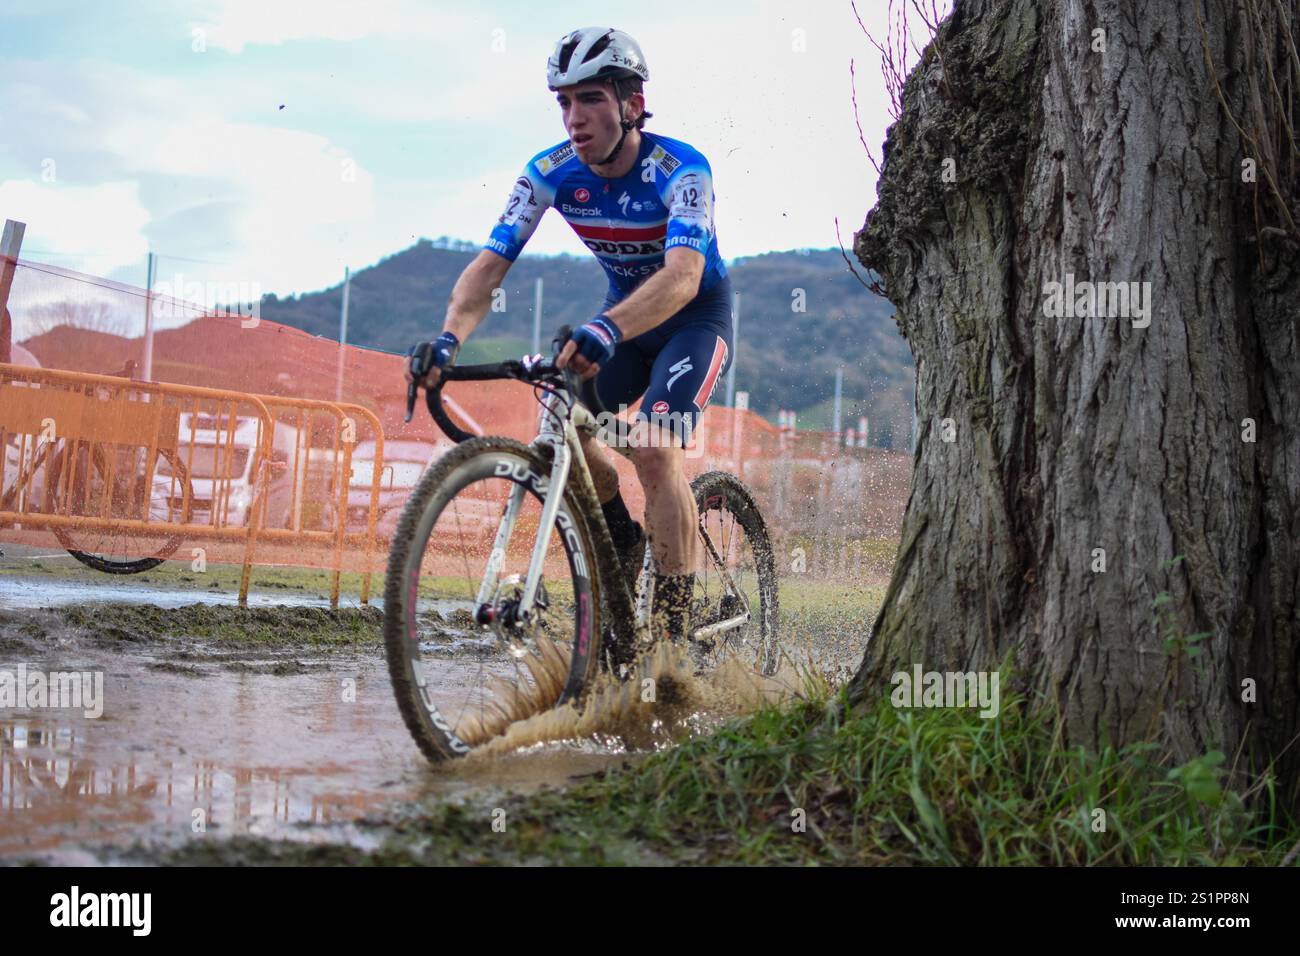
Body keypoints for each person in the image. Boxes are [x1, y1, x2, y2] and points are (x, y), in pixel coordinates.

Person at [406, 26, 733, 647]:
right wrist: (446, 339)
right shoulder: (547, 173)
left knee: (657, 451)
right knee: (567, 427)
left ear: (631, 104)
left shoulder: (682, 169)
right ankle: (620, 540)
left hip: (692, 319)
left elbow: (684, 276)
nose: (573, 118)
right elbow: (488, 267)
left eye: (590, 100)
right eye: (564, 102)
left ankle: (671, 635)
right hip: (620, 324)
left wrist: (606, 326)